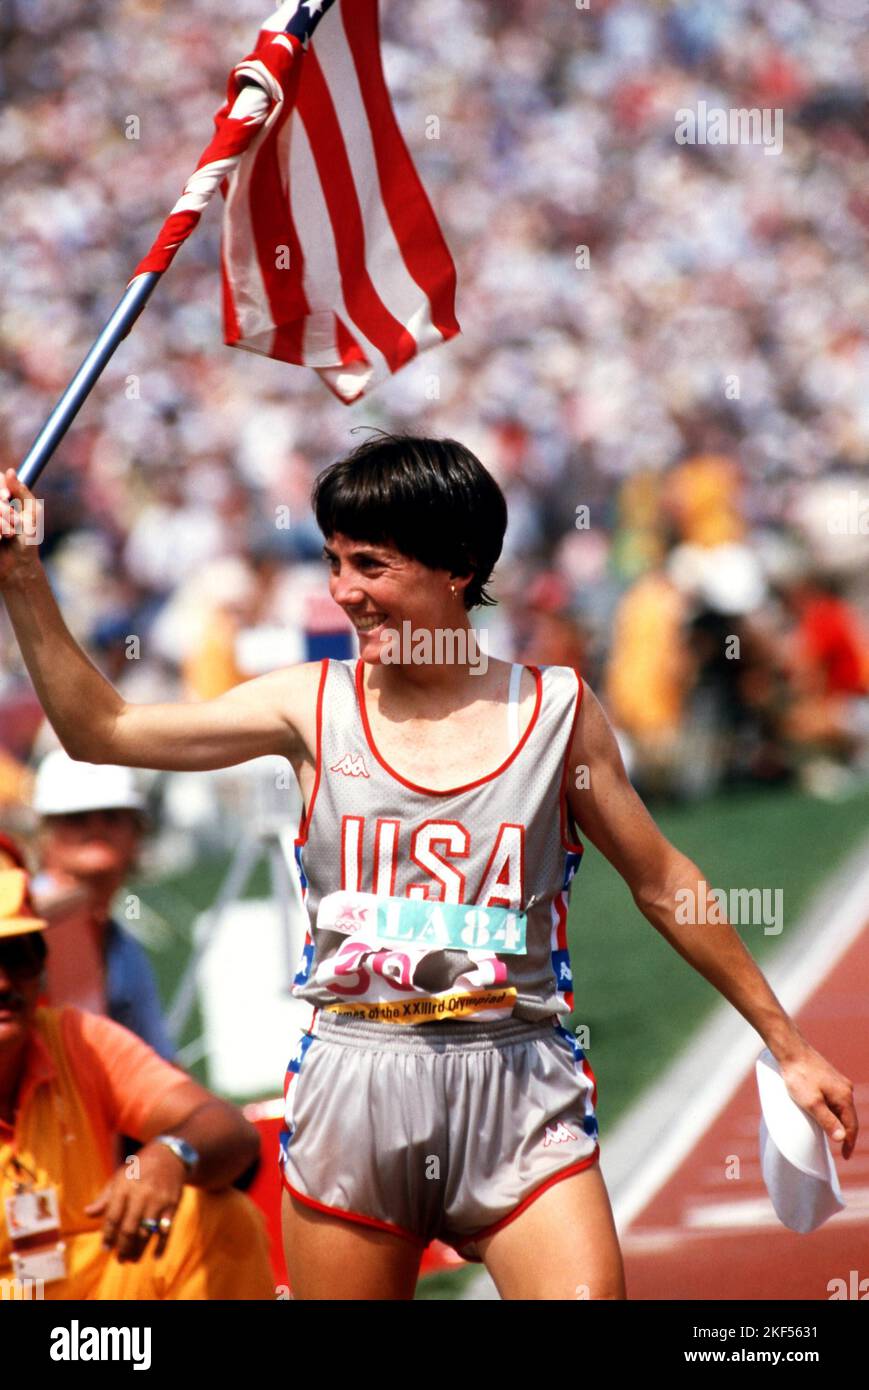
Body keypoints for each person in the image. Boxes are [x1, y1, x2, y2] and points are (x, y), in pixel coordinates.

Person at [0, 434, 858, 1301]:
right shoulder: (308, 704)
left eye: (369, 564)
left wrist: (787, 1046)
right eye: (334, 561)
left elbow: (663, 881)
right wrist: (22, 575)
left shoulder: (555, 709)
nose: (342, 592)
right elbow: (102, 731)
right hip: (355, 1087)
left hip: (519, 1084)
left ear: (454, 568)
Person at [0, 836, 275, 1299]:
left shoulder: (75, 1038)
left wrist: (171, 1153)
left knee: (215, 1218)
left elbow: (232, 1132)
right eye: (77, 823)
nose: (4, 981)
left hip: (90, 1300)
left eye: (19, 954)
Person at [29, 749, 174, 1058]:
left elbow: (158, 1067)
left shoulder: (125, 949)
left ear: (137, 833)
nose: (96, 827)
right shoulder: (15, 918)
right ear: (45, 834)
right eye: (76, 818)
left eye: (112, 815)